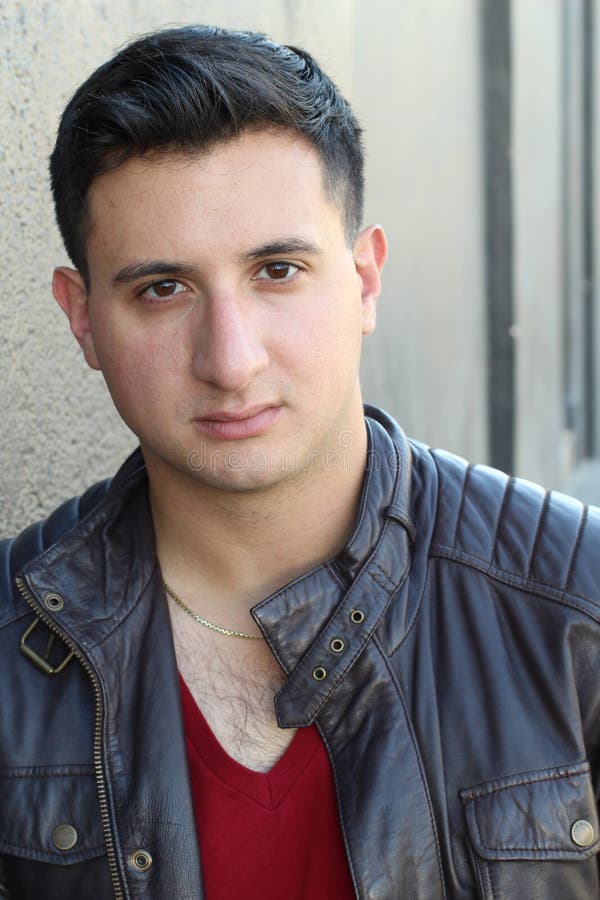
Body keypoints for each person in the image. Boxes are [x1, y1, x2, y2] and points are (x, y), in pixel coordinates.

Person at [1, 24, 599, 900]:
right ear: (83, 317)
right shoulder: (11, 656)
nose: (230, 359)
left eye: (277, 270)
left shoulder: (577, 602)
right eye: (162, 289)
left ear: (364, 280)